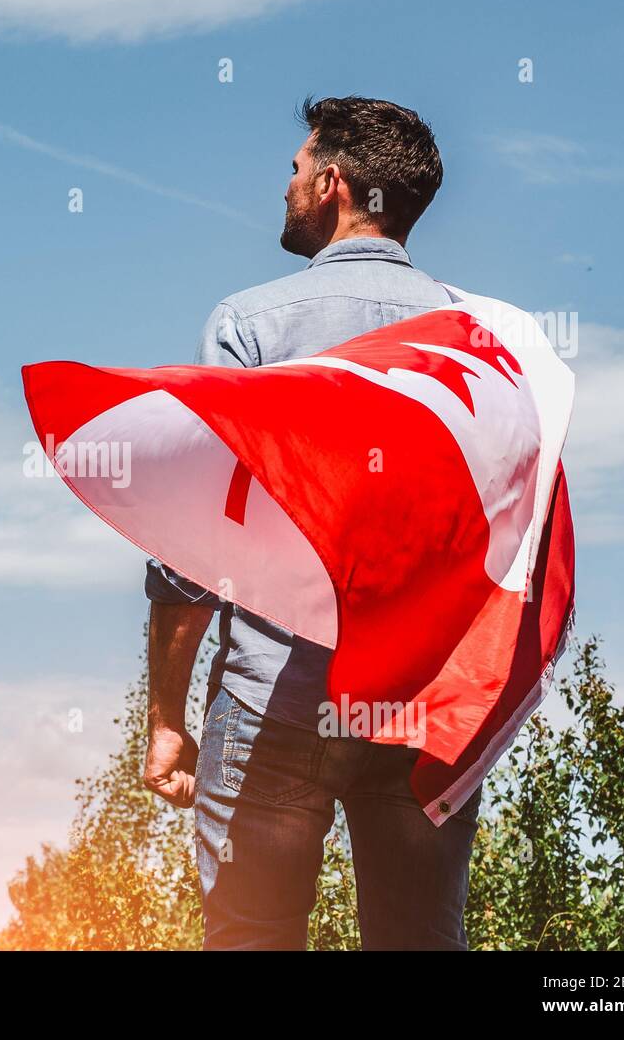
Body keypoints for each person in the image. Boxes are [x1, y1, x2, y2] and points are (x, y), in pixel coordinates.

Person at [143, 96, 482, 950]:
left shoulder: (252, 326)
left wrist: (168, 718)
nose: (287, 183)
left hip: (276, 701)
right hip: (423, 710)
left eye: (297, 169)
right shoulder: (481, 343)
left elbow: (195, 544)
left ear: (333, 184)